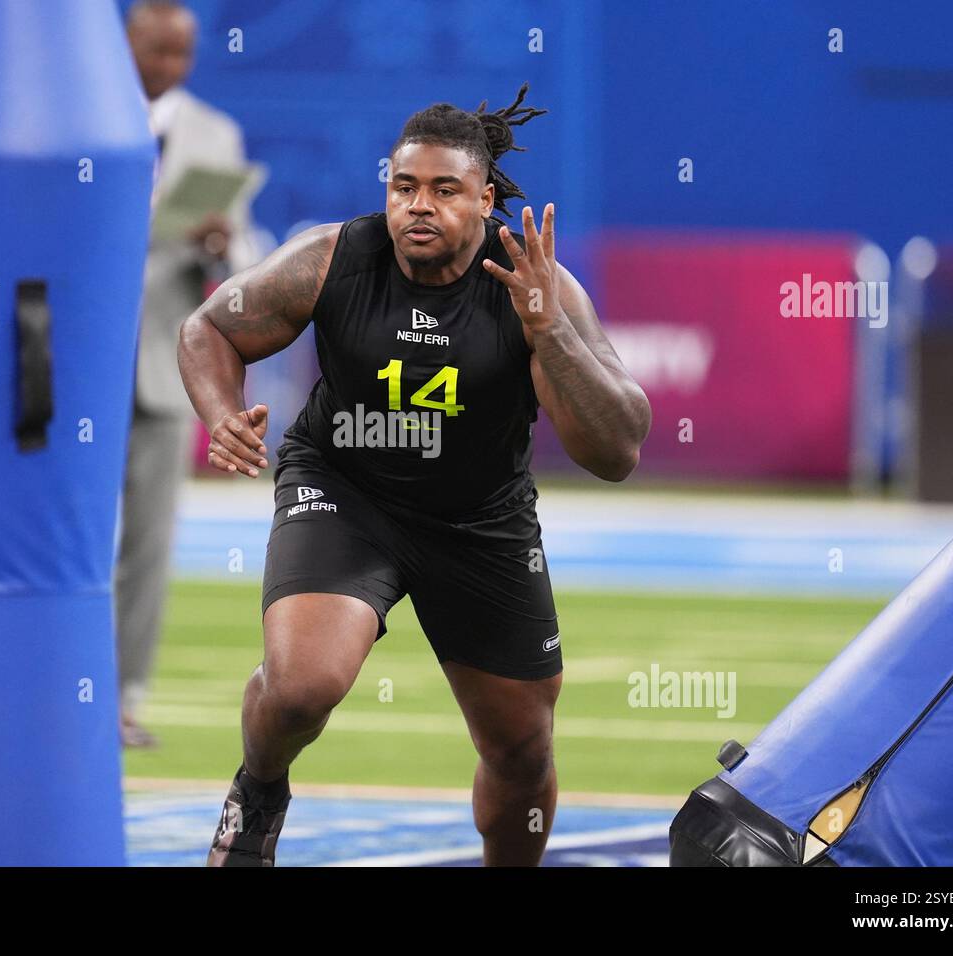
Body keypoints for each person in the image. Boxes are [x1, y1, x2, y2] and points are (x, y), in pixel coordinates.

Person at [177, 83, 651, 865]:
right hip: (344, 490)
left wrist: (548, 334)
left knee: (523, 752)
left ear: (486, 199)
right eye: (404, 188)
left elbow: (617, 451)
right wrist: (222, 412)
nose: (418, 207)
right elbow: (209, 329)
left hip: (479, 518)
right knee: (300, 686)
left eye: (444, 190)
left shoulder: (538, 288)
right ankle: (259, 789)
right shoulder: (332, 256)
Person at [117, 0, 260, 747]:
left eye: (181, 54)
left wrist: (217, 244)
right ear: (127, 41)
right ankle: (40, 689)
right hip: (65, 364)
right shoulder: (83, 117)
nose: (169, 66)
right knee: (55, 541)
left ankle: (121, 698)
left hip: (162, 365)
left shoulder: (214, 134)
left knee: (149, 543)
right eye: (157, 50)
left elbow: (242, 265)